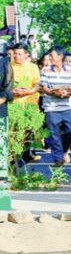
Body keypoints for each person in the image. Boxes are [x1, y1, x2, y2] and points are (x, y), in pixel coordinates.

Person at [38, 46, 71, 168]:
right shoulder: (45, 70)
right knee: (54, 133)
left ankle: (63, 150)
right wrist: (53, 93)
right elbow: (44, 87)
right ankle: (58, 159)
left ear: (60, 57)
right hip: (51, 107)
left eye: (52, 56)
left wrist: (68, 92)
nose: (50, 58)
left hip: (67, 106)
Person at [0, 48, 12, 185]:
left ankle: (2, 172)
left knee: (1, 139)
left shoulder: (4, 63)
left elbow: (8, 88)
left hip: (0, 106)